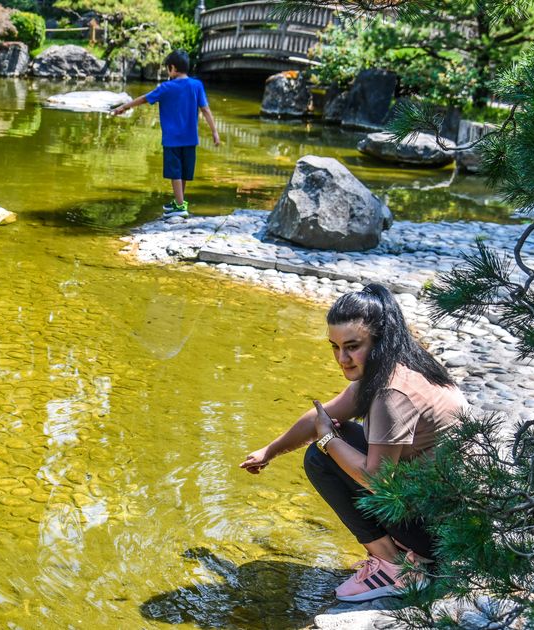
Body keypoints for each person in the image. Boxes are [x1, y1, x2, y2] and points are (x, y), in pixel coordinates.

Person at [240, 283, 466, 602]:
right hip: (455, 518)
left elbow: (378, 480)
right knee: (338, 436)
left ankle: (396, 567)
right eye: (334, 346)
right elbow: (324, 413)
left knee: (319, 459)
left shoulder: (391, 394)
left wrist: (328, 439)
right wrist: (269, 451)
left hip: (438, 534)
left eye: (352, 346)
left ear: (379, 339)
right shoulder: (407, 364)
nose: (342, 358)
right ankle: (405, 550)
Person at [110, 50, 221, 217]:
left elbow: (143, 99)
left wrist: (123, 107)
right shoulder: (196, 85)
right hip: (191, 139)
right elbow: (205, 109)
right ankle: (180, 201)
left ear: (173, 68)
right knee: (183, 171)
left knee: (175, 172)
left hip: (172, 139)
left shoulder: (166, 88)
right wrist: (214, 132)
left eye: (168, 69)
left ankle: (180, 207)